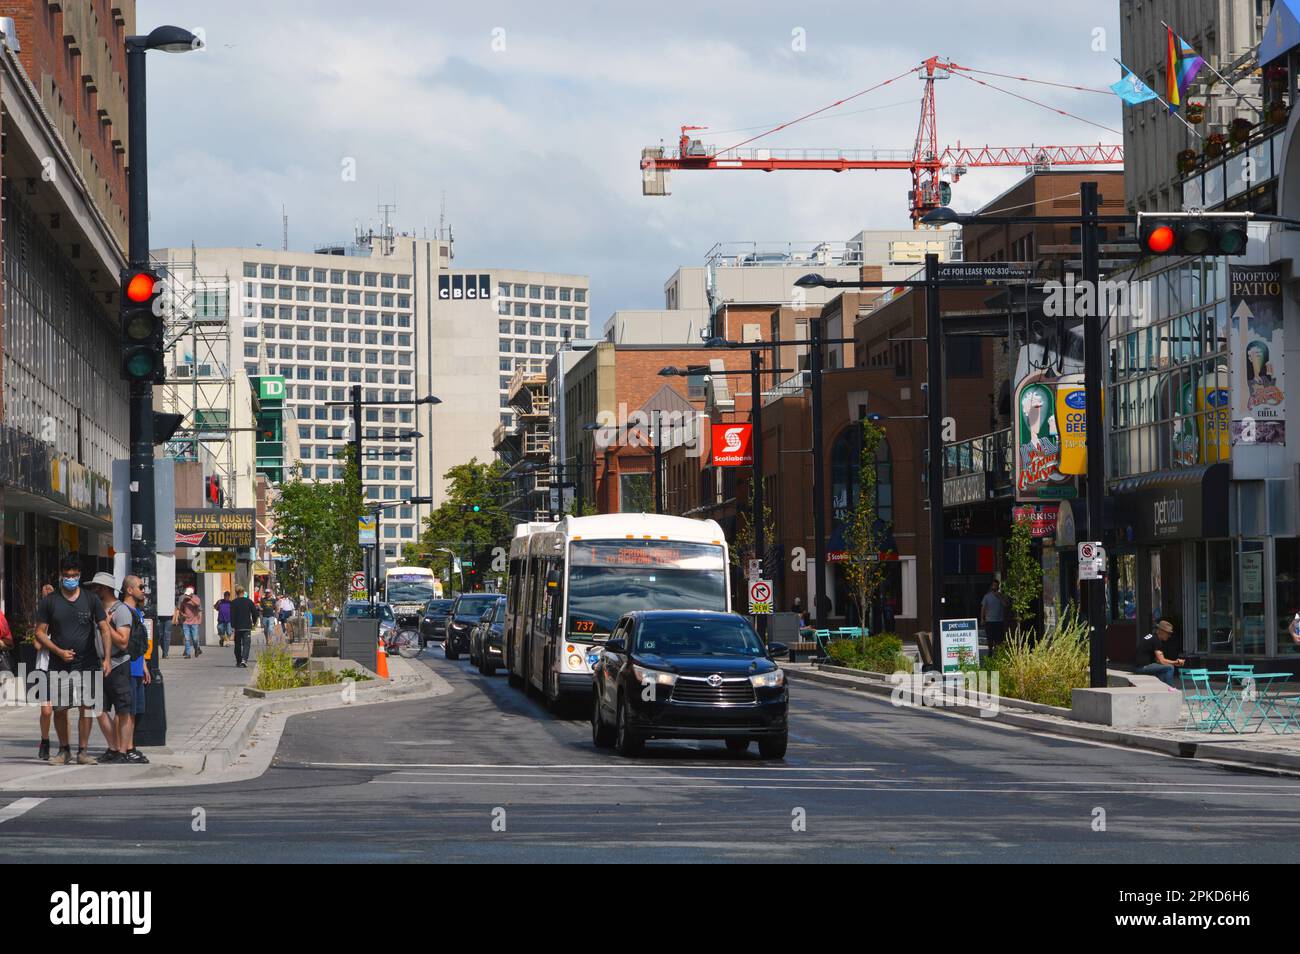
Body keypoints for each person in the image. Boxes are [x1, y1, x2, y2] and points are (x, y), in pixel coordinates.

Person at [32, 557, 110, 765]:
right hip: (60, 664)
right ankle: (64, 750)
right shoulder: (50, 601)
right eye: (66, 576)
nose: (70, 579)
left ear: (79, 576)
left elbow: (104, 628)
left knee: (86, 707)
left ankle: (82, 751)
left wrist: (107, 658)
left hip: (88, 662)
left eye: (74, 576)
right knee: (60, 708)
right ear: (61, 576)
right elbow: (39, 633)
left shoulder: (91, 599)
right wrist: (58, 651)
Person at [88, 572, 134, 763]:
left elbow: (123, 642)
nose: (92, 591)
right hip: (98, 663)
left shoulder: (121, 610)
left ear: (105, 589)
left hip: (118, 664)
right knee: (98, 708)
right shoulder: (95, 609)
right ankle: (113, 747)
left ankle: (122, 751)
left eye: (96, 587)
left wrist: (107, 624)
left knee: (123, 710)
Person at [119, 575, 150, 763]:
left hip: (137, 667)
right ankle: (126, 748)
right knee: (127, 711)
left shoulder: (137, 612)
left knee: (136, 711)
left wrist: (144, 664)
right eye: (140, 587)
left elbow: (138, 642)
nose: (143, 590)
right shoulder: (123, 611)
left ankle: (130, 746)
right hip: (126, 668)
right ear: (129, 590)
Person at [35, 583, 54, 760]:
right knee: (46, 711)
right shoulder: (41, 621)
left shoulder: (62, 619)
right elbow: (36, 644)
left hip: (61, 668)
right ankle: (45, 739)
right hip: (43, 667)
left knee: (61, 710)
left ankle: (65, 746)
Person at [1135, 619, 1184, 688]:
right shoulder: (1156, 641)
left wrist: (1174, 662)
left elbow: (1159, 661)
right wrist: (1176, 662)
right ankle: (1170, 689)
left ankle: (1162, 687)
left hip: (1138, 666)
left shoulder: (1152, 637)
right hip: (1142, 667)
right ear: (1161, 631)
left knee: (1163, 669)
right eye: (1168, 633)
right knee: (1169, 668)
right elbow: (1162, 661)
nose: (1169, 636)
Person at [229, 585, 257, 669]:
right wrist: (254, 622)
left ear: (236, 593)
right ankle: (244, 660)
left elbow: (232, 615)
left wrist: (233, 626)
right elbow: (254, 613)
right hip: (247, 626)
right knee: (246, 644)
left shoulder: (233, 602)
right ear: (243, 592)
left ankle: (238, 661)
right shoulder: (249, 602)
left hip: (238, 627)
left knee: (237, 644)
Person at [980, 580, 1009, 653]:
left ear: (998, 587)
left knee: (999, 638)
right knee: (990, 637)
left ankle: (997, 652)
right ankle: (990, 650)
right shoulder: (987, 596)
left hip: (999, 621)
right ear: (991, 586)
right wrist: (982, 619)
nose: (995, 587)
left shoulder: (1002, 595)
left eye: (996, 585)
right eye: (993, 585)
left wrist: (1000, 597)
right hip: (989, 621)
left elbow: (1006, 605)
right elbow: (983, 608)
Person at [177, 586, 202, 658]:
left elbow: (197, 605)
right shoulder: (184, 600)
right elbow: (180, 609)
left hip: (194, 622)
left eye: (188, 594)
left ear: (191, 594)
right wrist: (183, 614)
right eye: (186, 594)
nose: (186, 596)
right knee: (187, 638)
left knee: (195, 638)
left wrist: (191, 599)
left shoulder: (196, 598)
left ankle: (196, 648)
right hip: (186, 622)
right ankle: (188, 654)